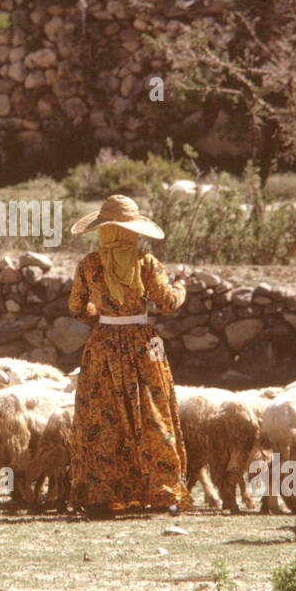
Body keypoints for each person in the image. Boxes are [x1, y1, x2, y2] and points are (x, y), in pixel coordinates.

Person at [66, 195, 193, 519]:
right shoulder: (147, 264)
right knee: (152, 413)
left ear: (104, 230)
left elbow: (77, 308)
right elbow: (166, 304)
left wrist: (102, 313)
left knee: (101, 418)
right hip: (143, 344)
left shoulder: (89, 265)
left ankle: (101, 495)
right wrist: (181, 285)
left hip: (103, 345)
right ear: (133, 231)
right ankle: (163, 492)